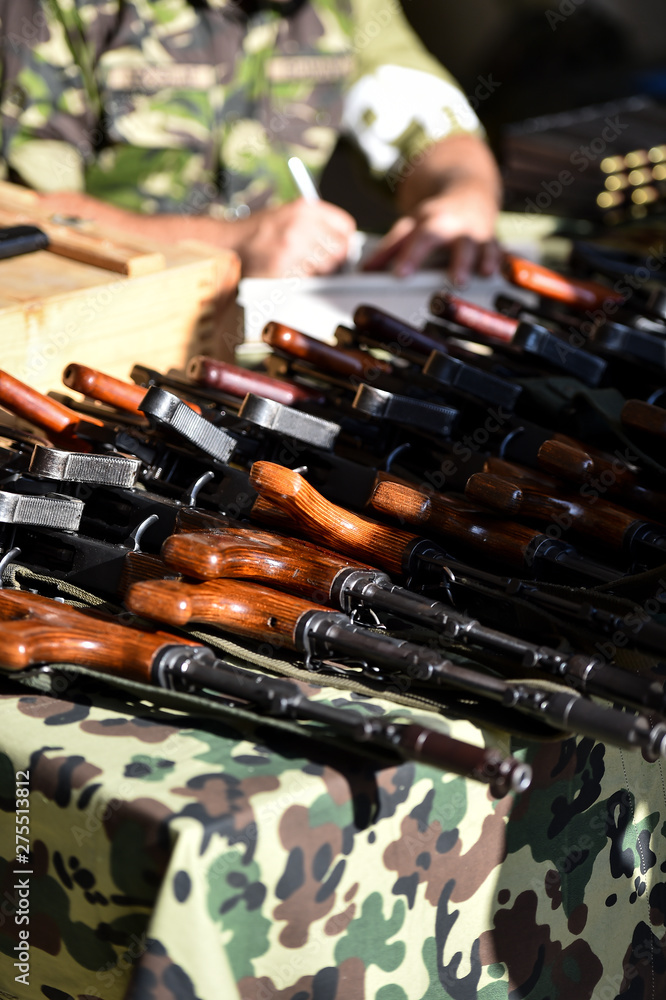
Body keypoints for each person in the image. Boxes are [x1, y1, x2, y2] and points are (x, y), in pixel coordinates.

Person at [0, 0, 502, 283]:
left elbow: (438, 133)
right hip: (113, 334)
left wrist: (463, 197)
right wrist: (230, 245)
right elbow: (24, 215)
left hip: (281, 339)